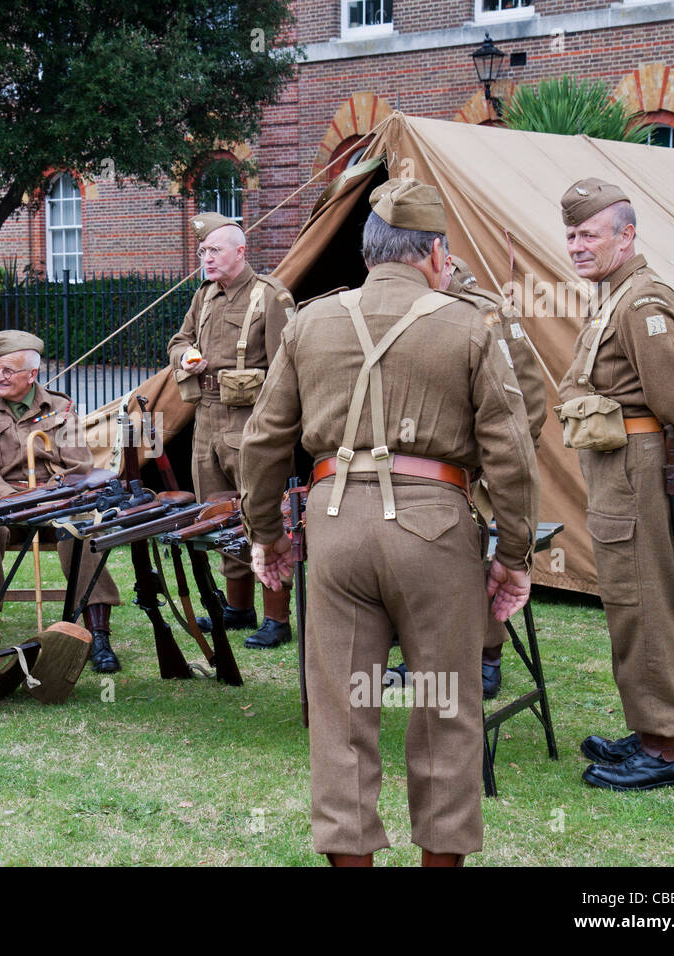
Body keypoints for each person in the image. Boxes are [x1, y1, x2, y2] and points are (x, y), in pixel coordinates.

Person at [241, 179, 538, 866]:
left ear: (369, 252)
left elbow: (262, 441)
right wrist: (515, 552)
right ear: (433, 252)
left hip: (336, 526)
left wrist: (268, 535)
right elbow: (513, 453)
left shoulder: (311, 321)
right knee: (444, 710)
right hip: (435, 529)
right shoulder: (469, 325)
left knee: (343, 716)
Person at [555, 178, 674, 792]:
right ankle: (649, 726)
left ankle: (663, 751)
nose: (576, 244)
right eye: (572, 234)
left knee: (644, 606)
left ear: (626, 235)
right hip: (620, 471)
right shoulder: (614, 295)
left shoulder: (641, 303)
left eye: (589, 234)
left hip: (638, 473)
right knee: (630, 602)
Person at [0, 330, 122, 672]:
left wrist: (49, 493)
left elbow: (80, 466)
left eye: (8, 371)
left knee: (84, 528)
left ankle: (99, 635)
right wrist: (7, 496)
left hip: (53, 503)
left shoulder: (61, 409)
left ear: (32, 375)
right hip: (5, 503)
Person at [167, 212, 297, 648]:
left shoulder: (271, 296)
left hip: (251, 426)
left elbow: (288, 367)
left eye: (214, 250)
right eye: (202, 251)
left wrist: (278, 430)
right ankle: (239, 609)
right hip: (206, 421)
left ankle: (277, 618)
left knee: (264, 517)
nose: (206, 258)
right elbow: (178, 341)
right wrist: (185, 358)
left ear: (240, 252)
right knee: (220, 517)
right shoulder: (203, 296)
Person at [444, 256, 548, 699]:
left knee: (481, 563)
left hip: (476, 467)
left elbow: (529, 392)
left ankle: (487, 658)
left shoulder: (484, 310)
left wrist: (501, 461)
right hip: (433, 466)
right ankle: (427, 655)